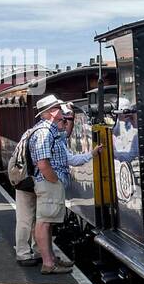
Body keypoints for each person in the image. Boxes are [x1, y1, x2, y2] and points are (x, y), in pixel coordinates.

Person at [26, 96, 98, 274]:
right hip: (49, 183)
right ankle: (48, 264)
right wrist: (55, 181)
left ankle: (51, 259)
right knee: (44, 223)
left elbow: (68, 157)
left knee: (48, 223)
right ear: (51, 111)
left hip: (52, 183)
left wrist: (92, 154)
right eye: (59, 108)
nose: (62, 111)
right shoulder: (43, 133)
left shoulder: (52, 131)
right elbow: (42, 163)